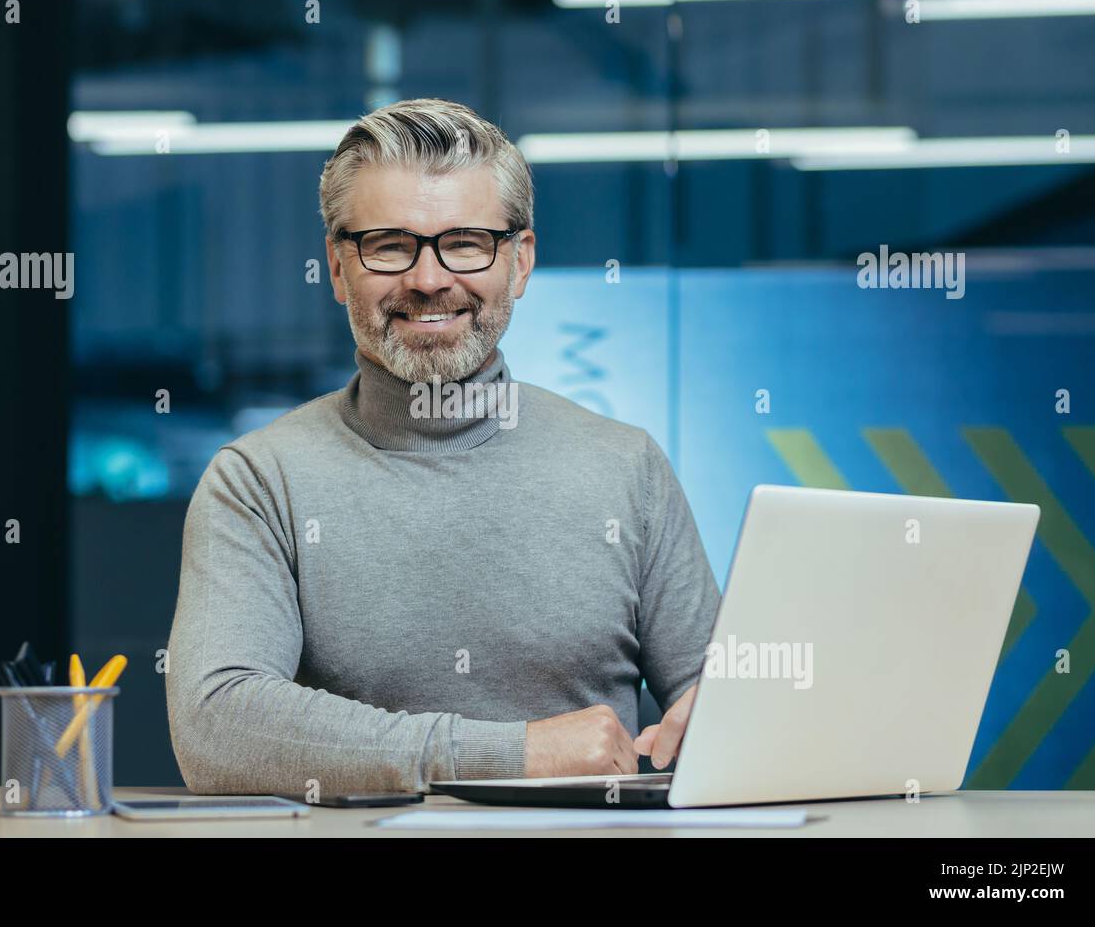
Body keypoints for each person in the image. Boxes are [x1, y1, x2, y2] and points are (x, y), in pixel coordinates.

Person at [165, 98, 720, 794]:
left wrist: (727, 717)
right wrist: (506, 754)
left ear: (520, 263)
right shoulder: (258, 481)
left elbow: (718, 699)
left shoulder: (626, 468)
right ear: (338, 269)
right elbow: (218, 728)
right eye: (390, 245)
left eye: (464, 242)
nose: (429, 279)